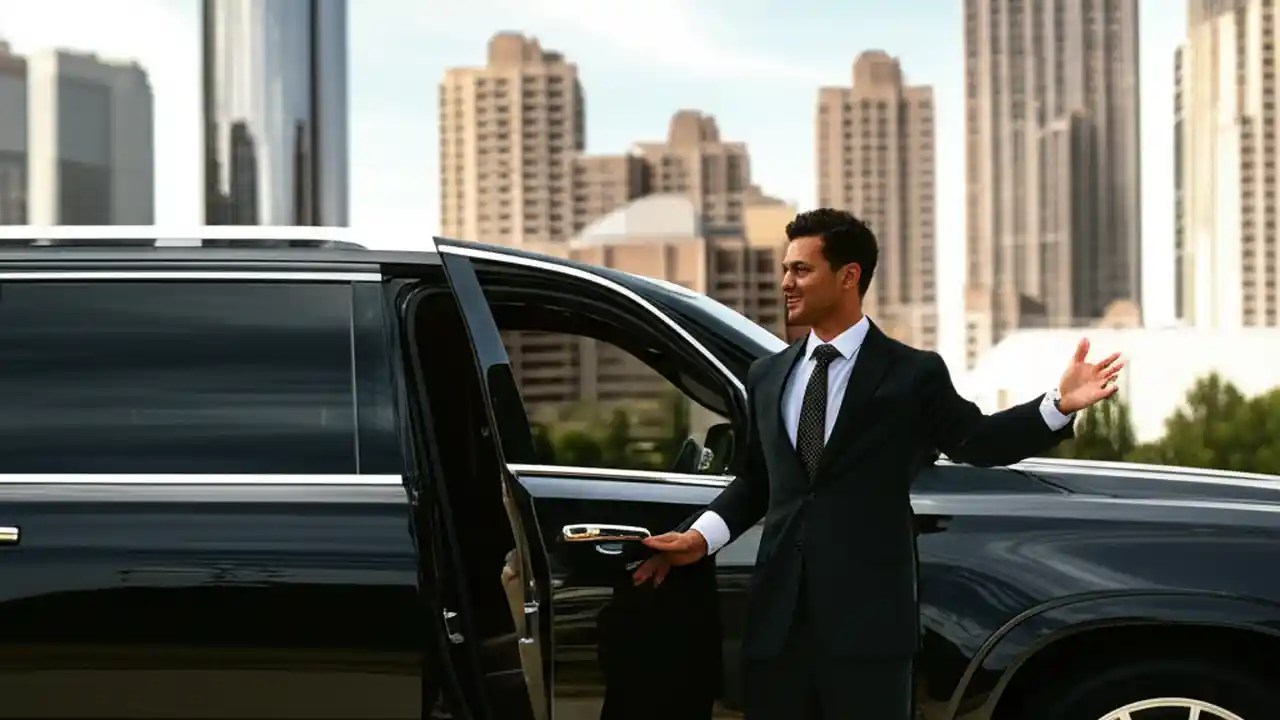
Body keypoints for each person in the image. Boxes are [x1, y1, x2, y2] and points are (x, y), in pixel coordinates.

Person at [630, 208, 1124, 719]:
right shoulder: (767, 375)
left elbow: (979, 442)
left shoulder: (912, 373)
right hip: (777, 631)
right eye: (785, 269)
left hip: (869, 633)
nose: (786, 283)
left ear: (849, 276)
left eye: (801, 270)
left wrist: (1057, 405)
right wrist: (698, 538)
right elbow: (757, 481)